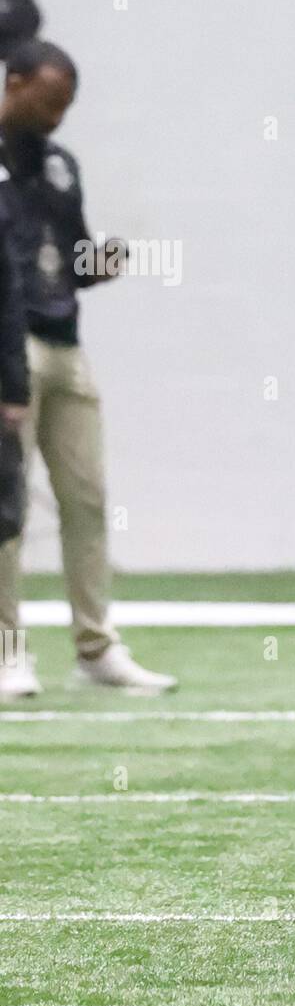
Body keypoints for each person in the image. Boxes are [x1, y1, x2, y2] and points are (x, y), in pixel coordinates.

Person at [0, 38, 175, 698]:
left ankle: (96, 647)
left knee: (88, 499)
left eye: (64, 108)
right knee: (6, 511)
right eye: (46, 104)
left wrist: (103, 262)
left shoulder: (60, 167)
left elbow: (72, 262)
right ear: (13, 83)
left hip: (64, 346)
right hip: (5, 349)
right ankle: (7, 654)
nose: (55, 119)